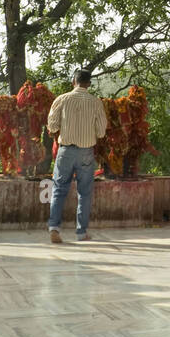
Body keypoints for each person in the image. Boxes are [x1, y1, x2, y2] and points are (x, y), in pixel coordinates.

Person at [46, 68, 107, 243]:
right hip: (86, 152)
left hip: (65, 150)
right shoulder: (96, 102)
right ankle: (81, 232)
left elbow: (52, 126)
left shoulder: (62, 99)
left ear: (74, 81)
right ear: (88, 83)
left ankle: (54, 228)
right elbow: (101, 132)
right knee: (85, 192)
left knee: (59, 189)